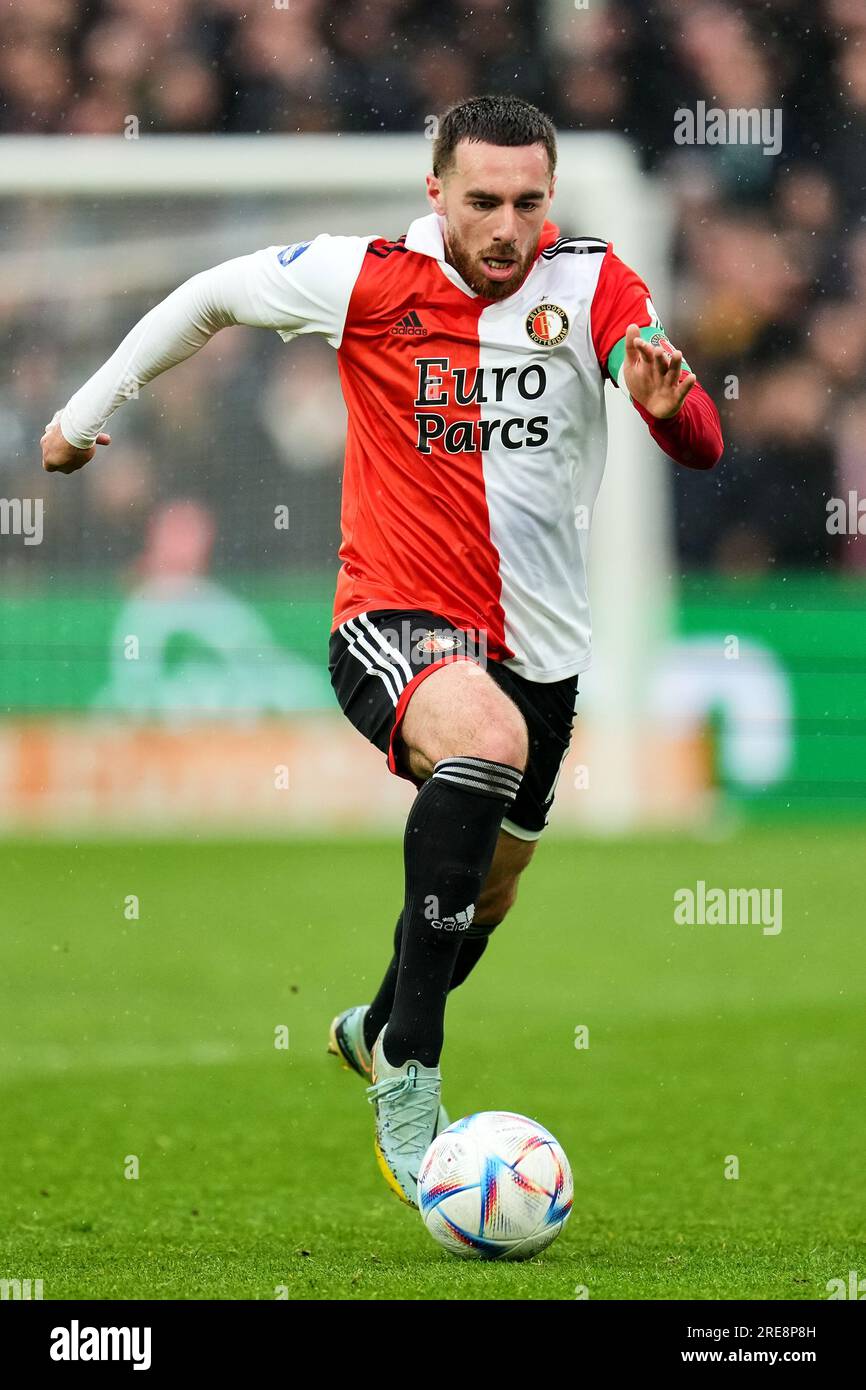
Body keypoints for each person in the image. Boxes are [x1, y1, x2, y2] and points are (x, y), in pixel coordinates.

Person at [41, 94, 723, 1208]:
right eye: (482, 202)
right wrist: (80, 415)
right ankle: (410, 1066)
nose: (507, 228)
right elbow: (210, 294)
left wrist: (668, 404)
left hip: (541, 647)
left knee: (487, 899)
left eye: (528, 203)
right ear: (435, 195)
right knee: (483, 739)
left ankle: (370, 1022)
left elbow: (697, 446)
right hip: (390, 616)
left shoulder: (592, 283)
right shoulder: (363, 278)